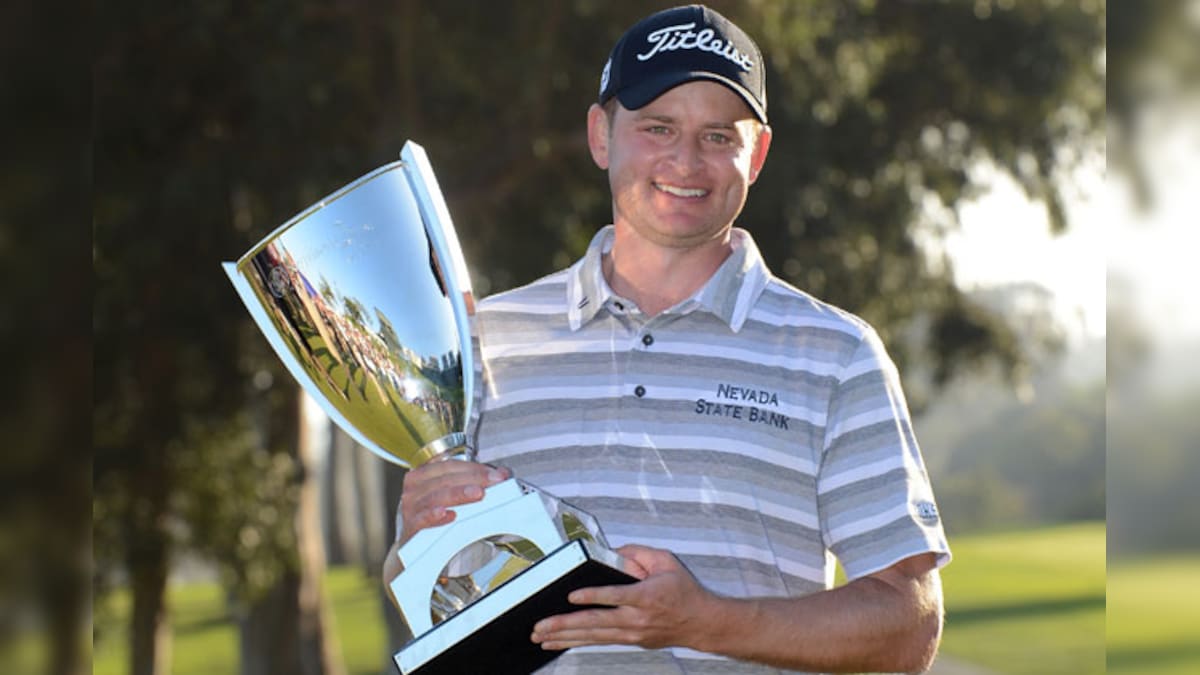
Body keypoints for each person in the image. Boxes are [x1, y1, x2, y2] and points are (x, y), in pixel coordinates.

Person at [385, 5, 950, 673]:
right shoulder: (484, 342)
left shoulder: (835, 353)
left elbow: (907, 624)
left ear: (758, 153)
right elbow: (433, 592)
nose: (685, 160)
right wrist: (417, 535)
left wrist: (708, 622)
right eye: (657, 127)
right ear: (601, 135)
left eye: (718, 136)